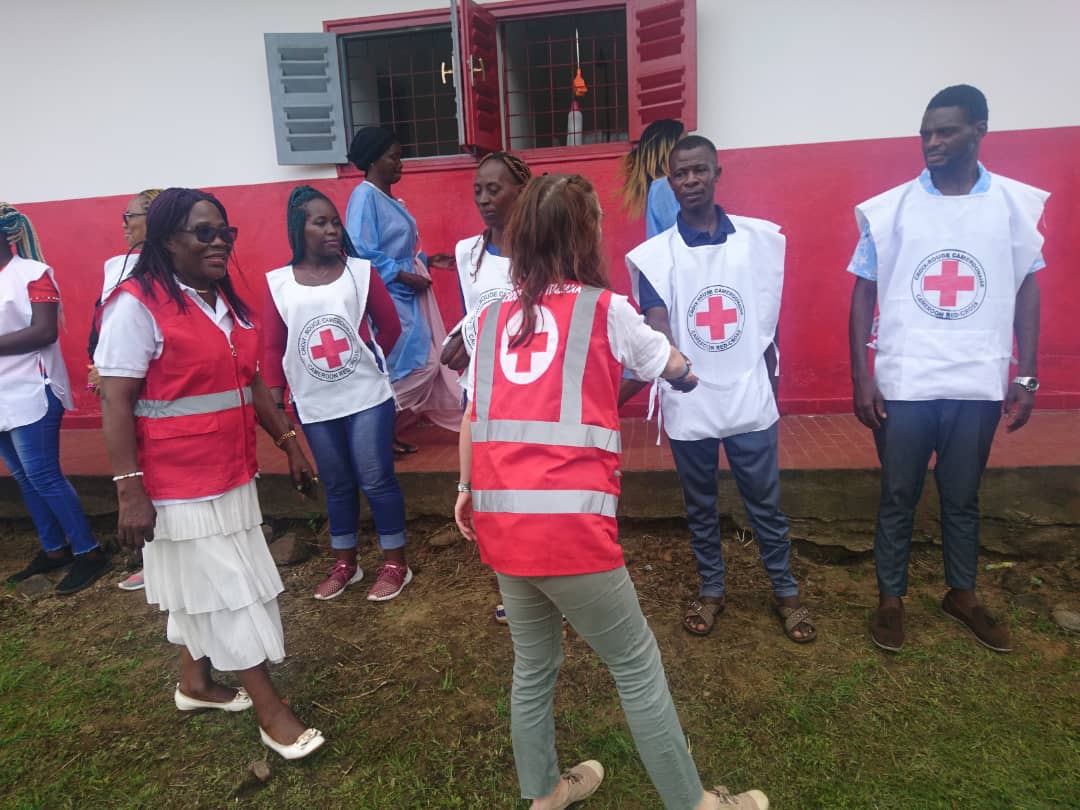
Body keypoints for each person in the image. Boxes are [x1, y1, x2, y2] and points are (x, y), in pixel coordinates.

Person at [455, 173, 768, 810]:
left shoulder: (485, 318)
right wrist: (683, 372)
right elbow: (669, 363)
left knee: (533, 667)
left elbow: (467, 401)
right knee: (636, 666)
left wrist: (464, 486)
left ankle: (543, 795)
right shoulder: (606, 309)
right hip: (572, 530)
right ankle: (698, 804)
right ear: (584, 233)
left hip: (501, 521)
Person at [96, 188, 325, 760]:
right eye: (204, 232)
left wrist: (289, 443)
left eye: (226, 232)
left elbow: (249, 382)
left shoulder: (222, 302)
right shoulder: (135, 305)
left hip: (230, 473)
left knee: (208, 587)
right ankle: (271, 712)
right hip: (175, 485)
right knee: (228, 591)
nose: (220, 241)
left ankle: (195, 685)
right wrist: (129, 490)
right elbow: (116, 401)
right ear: (167, 239)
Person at [849, 85, 1047, 654]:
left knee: (962, 494)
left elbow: (1026, 288)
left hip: (977, 381)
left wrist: (1026, 374)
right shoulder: (890, 210)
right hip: (906, 382)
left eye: (946, 132)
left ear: (979, 130)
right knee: (898, 492)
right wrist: (863, 376)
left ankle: (962, 594)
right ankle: (890, 599)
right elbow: (863, 293)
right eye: (926, 133)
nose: (931, 143)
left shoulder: (1012, 206)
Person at [626, 136, 815, 643]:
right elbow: (656, 319)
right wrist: (668, 357)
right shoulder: (654, 256)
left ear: (717, 172)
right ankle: (712, 588)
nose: (690, 181)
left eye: (699, 171)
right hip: (689, 397)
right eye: (680, 174)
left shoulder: (759, 241)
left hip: (748, 394)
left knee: (766, 504)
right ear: (670, 181)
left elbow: (767, 319)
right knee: (700, 504)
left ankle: (785, 590)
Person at [264, 185, 412, 602]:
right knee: (337, 483)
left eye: (335, 222)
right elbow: (274, 347)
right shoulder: (279, 284)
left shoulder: (359, 272)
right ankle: (346, 562)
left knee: (376, 477)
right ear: (299, 229)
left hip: (366, 396)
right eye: (320, 222)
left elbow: (391, 326)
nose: (332, 229)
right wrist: (278, 405)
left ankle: (395, 562)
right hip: (314, 403)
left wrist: (371, 363)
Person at [0, 204, 111, 594]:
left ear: (6, 234)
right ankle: (54, 549)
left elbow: (44, 331)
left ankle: (89, 551)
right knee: (24, 478)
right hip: (1, 395)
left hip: (33, 388)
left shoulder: (32, 274)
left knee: (44, 475)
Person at [345, 126, 461, 450]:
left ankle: (382, 431)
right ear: (372, 160)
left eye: (400, 156)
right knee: (420, 364)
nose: (400, 163)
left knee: (410, 363)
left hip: (406, 294)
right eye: (393, 157)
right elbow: (360, 249)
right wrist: (402, 274)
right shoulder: (365, 196)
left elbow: (392, 248)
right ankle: (370, 422)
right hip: (390, 295)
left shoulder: (387, 199)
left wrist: (426, 259)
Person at [87, 188, 163, 592]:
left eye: (129, 216)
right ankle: (150, 560)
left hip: (157, 390)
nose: (123, 224)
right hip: (121, 379)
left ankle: (161, 562)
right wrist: (96, 361)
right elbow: (100, 320)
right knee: (136, 469)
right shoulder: (116, 266)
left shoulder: (172, 265)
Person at [442, 151, 532, 370]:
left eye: (493, 190)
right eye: (477, 191)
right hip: (479, 383)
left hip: (527, 375)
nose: (483, 200)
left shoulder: (545, 253)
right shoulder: (467, 252)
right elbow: (471, 314)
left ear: (522, 193)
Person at [618, 118, 685, 238]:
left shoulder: (662, 186)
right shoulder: (665, 187)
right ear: (667, 149)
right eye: (685, 144)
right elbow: (680, 235)